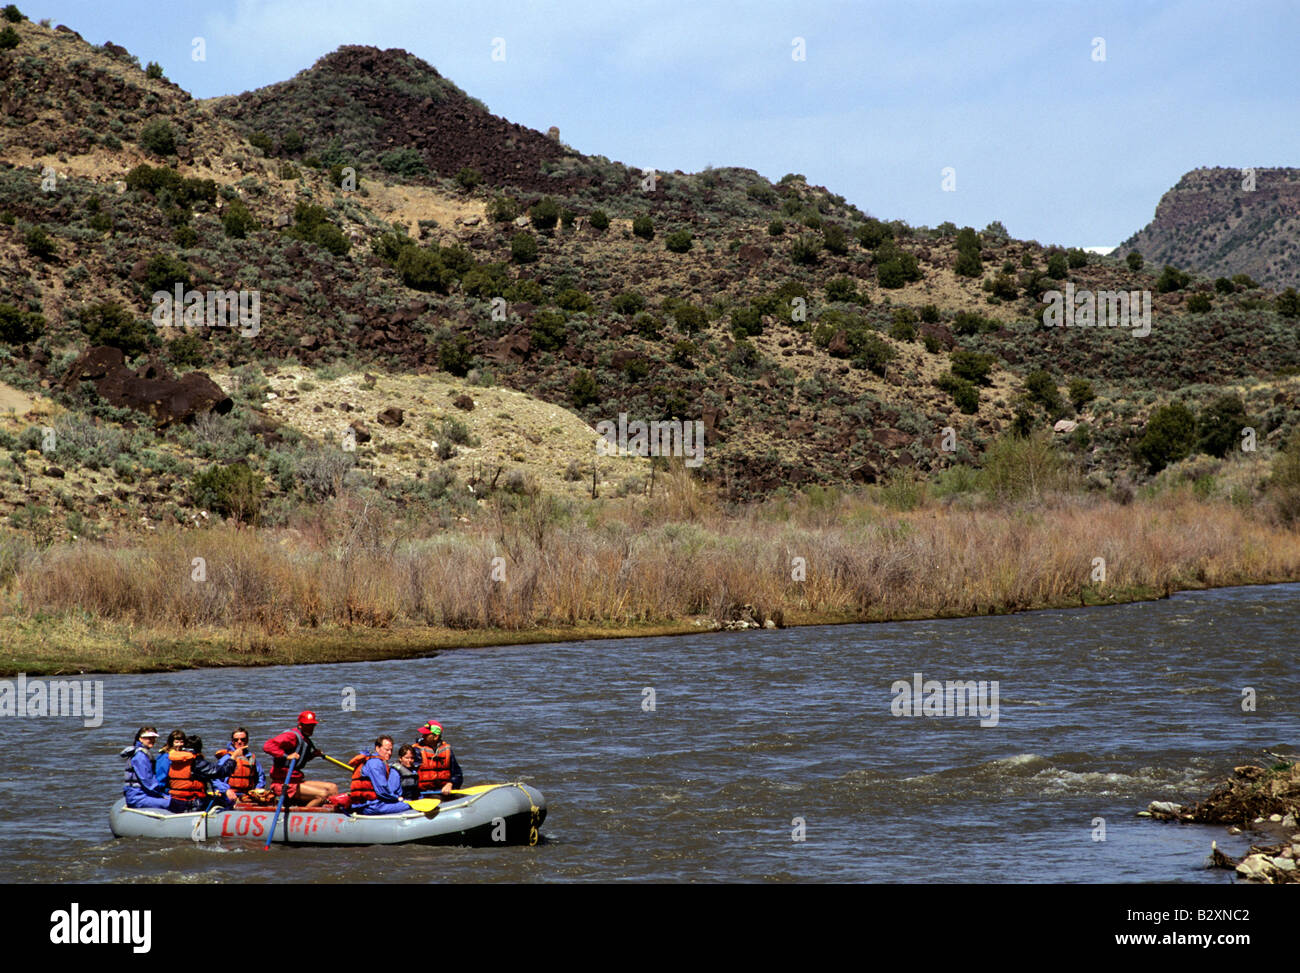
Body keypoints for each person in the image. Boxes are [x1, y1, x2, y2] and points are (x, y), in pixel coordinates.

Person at [263, 710, 338, 808]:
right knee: (322, 795)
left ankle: (336, 814)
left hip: (296, 781)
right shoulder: (291, 736)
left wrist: (312, 755)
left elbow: (299, 760)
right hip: (283, 784)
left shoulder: (304, 738)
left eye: (312, 725)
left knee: (332, 788)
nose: (311, 728)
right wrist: (286, 756)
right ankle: (304, 816)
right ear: (300, 725)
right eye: (308, 725)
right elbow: (267, 746)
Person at [166, 735, 236, 811]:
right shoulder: (196, 762)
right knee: (224, 802)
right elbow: (222, 771)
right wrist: (233, 758)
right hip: (192, 803)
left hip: (175, 801)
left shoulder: (175, 760)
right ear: (199, 748)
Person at [348, 736, 411, 815]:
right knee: (409, 805)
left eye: (391, 750)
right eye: (386, 750)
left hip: (370, 804)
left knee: (406, 802)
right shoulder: (375, 763)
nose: (390, 753)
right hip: (370, 806)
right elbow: (382, 791)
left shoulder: (376, 761)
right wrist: (397, 798)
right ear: (377, 748)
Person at [120, 727, 172, 810]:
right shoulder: (140, 756)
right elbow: (147, 781)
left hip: (143, 794)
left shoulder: (143, 753)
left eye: (153, 738)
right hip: (137, 797)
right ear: (141, 739)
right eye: (149, 738)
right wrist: (161, 794)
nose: (152, 740)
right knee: (172, 802)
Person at [215, 727, 266, 804]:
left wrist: (258, 789)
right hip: (229, 795)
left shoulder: (251, 758)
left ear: (247, 740)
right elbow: (215, 778)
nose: (239, 742)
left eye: (243, 739)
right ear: (232, 741)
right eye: (236, 740)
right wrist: (226, 790)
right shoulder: (226, 758)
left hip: (247, 795)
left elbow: (261, 776)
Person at [413, 721, 462, 796]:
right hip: (424, 793)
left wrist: (451, 783)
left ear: (436, 737)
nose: (422, 736)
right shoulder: (416, 751)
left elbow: (458, 774)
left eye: (426, 734)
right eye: (423, 734)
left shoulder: (447, 751)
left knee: (460, 797)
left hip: (444, 791)